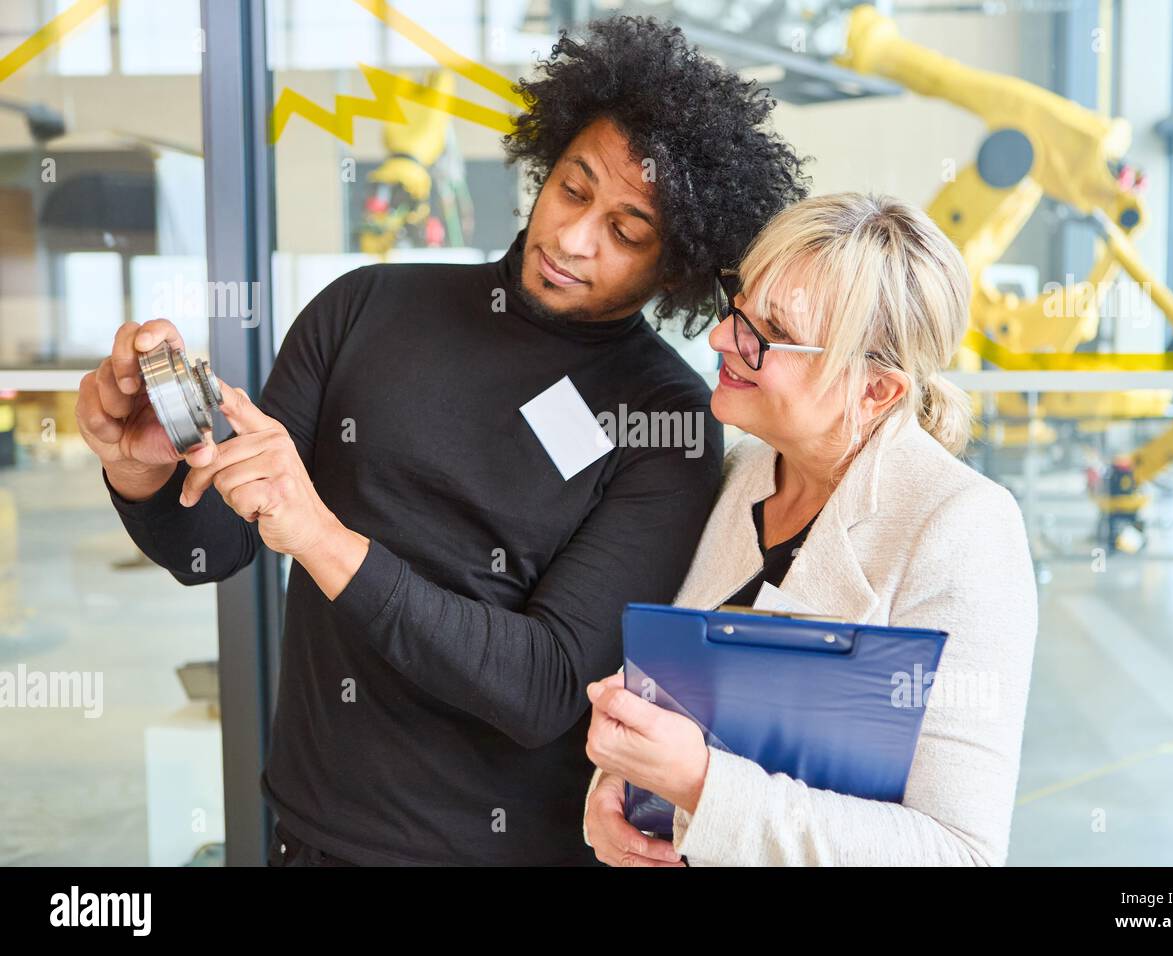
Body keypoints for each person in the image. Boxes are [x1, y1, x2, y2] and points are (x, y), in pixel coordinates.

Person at [74, 16, 808, 866]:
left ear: (674, 266)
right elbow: (220, 544)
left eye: (626, 231)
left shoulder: (668, 420)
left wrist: (320, 536)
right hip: (308, 839)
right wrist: (139, 473)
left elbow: (541, 687)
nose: (575, 239)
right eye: (573, 191)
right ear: (543, 166)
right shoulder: (364, 308)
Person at [582, 192, 1038, 866]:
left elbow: (958, 851)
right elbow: (683, 699)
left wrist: (700, 786)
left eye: (766, 332)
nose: (718, 339)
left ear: (875, 390)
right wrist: (617, 786)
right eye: (735, 305)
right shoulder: (742, 473)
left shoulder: (962, 528)